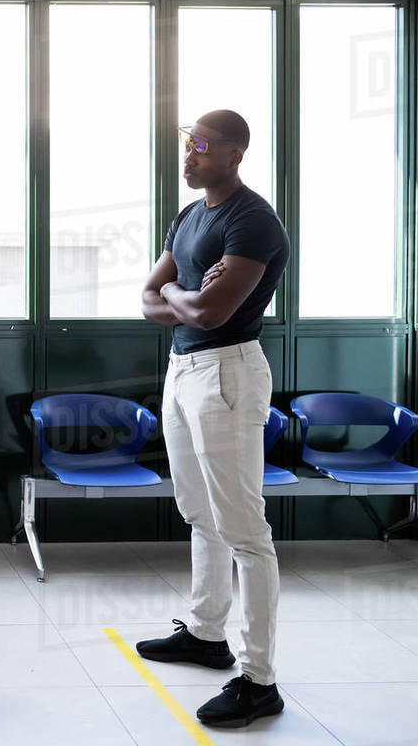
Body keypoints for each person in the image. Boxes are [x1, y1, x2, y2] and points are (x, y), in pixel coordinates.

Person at [137, 110, 290, 728]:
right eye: (186, 144)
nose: (190, 154)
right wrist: (185, 292)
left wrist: (184, 296)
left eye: (201, 146)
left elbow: (211, 314)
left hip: (228, 372)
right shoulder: (191, 215)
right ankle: (205, 633)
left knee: (244, 530)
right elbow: (152, 298)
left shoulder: (253, 221)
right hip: (182, 372)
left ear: (235, 153)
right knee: (199, 513)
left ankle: (259, 679)